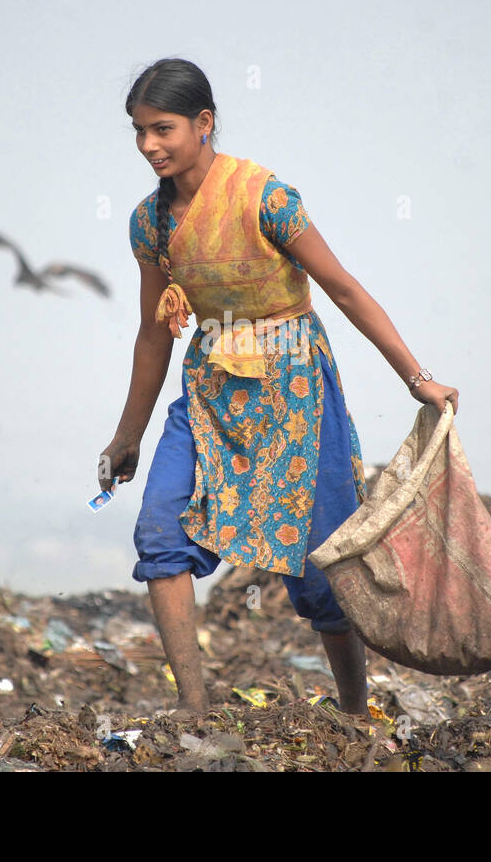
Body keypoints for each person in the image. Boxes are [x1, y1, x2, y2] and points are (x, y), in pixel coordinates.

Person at [98, 58, 459, 719]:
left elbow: (345, 290)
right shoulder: (149, 225)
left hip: (295, 386)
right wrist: (128, 437)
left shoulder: (266, 197)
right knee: (160, 532)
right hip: (210, 390)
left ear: (204, 123)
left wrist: (416, 375)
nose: (149, 144)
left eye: (163, 128)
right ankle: (195, 709)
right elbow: (154, 336)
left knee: (324, 566)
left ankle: (354, 712)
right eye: (139, 131)